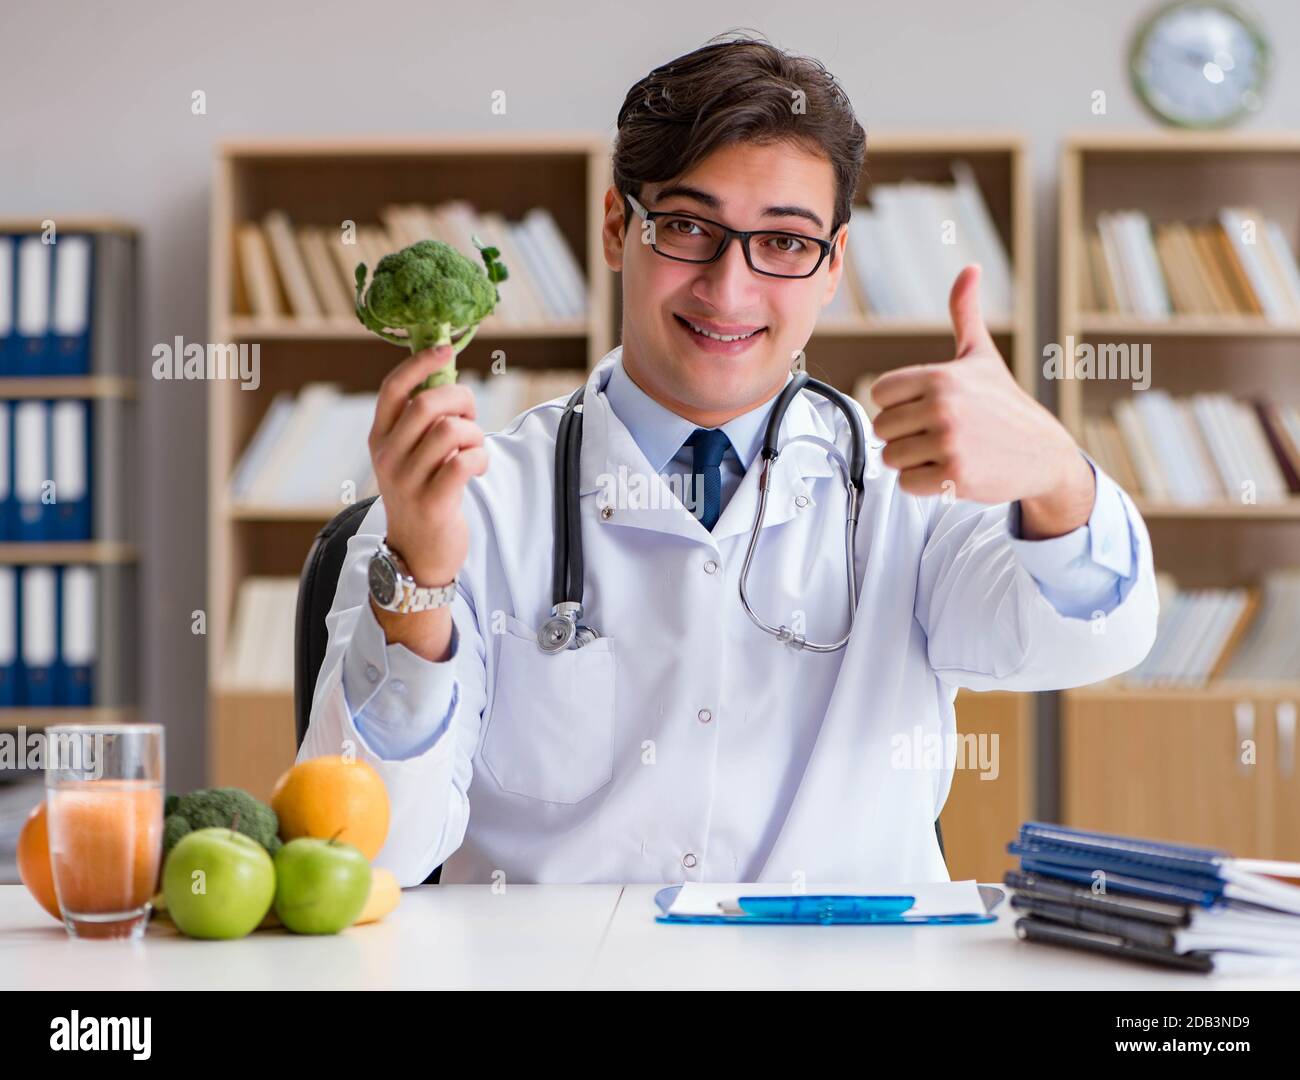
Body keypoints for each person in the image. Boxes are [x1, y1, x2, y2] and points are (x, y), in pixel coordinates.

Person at [299, 33, 1157, 887]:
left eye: (783, 243)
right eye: (686, 226)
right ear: (615, 228)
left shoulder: (910, 487)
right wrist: (419, 584)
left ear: (833, 266)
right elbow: (367, 855)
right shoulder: (468, 503)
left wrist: (1055, 475)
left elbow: (1087, 640)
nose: (728, 287)